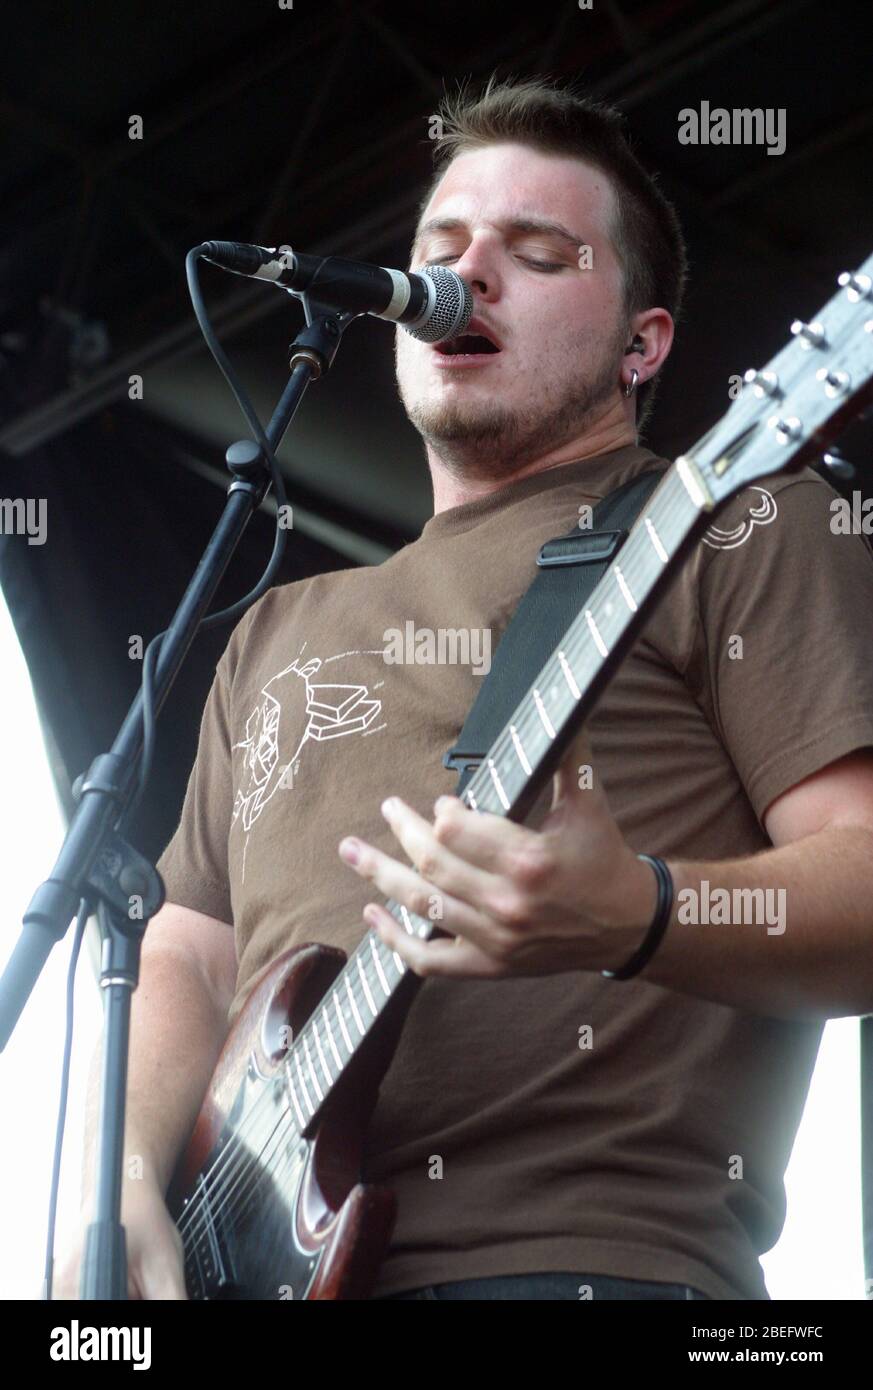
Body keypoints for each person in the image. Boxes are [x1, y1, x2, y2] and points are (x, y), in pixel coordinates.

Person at [56, 74, 873, 1302]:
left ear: (644, 343)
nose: (470, 271)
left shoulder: (738, 525)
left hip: (581, 1268)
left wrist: (641, 912)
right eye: (442, 248)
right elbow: (186, 946)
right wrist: (113, 1177)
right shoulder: (280, 622)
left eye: (538, 253)